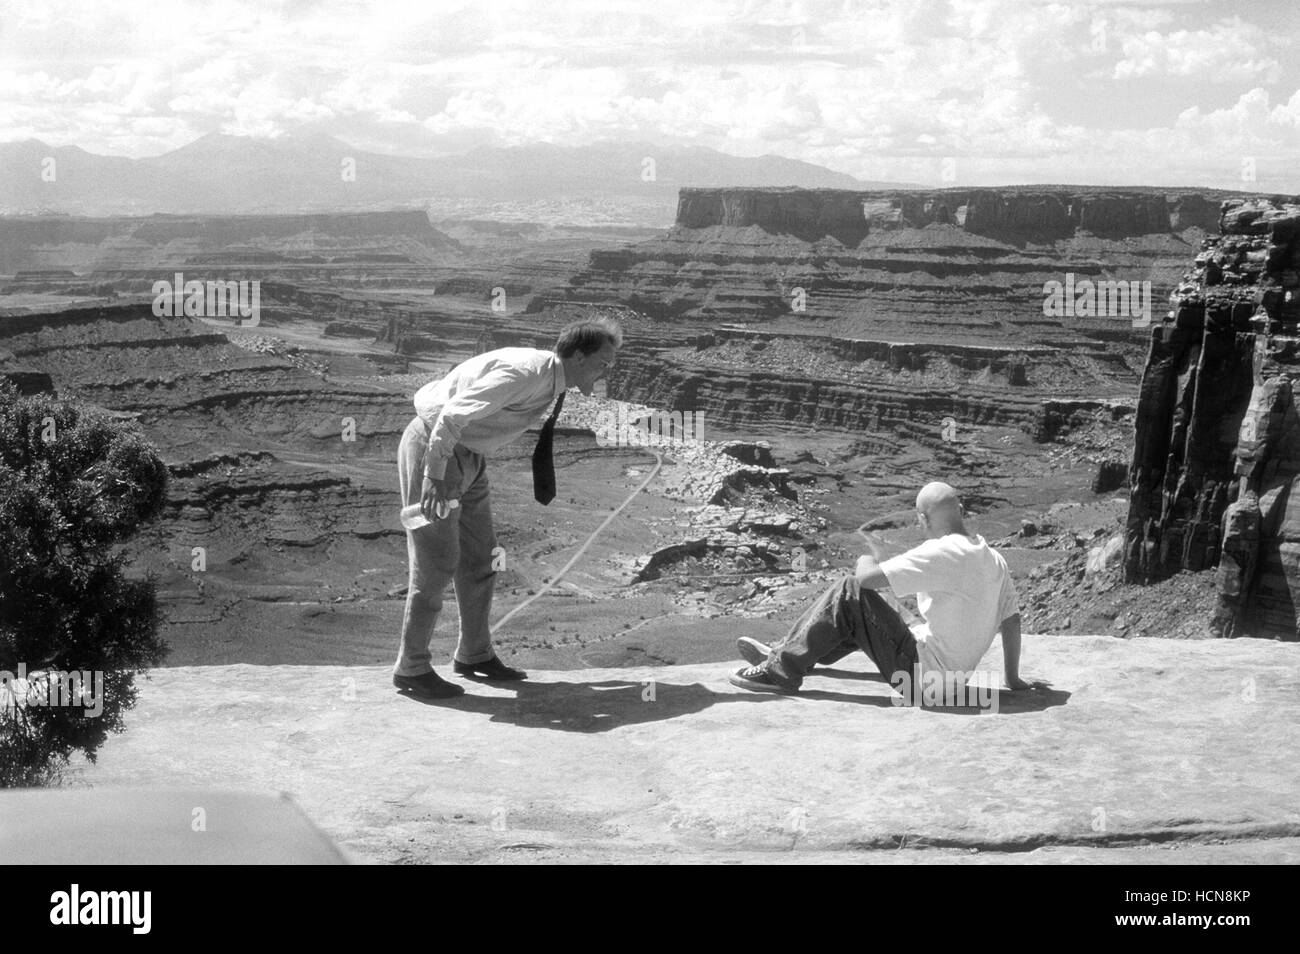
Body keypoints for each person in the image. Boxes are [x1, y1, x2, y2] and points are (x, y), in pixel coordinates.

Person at [393, 317, 621, 699]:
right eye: (604, 362)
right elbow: (451, 416)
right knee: (437, 560)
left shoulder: (554, 376)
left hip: (469, 457)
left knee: (483, 557)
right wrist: (434, 477)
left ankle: (474, 654)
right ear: (579, 357)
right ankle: (411, 667)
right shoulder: (527, 375)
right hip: (438, 451)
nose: (607, 371)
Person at [729, 481, 1037, 699]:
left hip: (922, 681)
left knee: (850, 591)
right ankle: (796, 650)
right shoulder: (993, 558)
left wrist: (869, 557)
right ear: (961, 511)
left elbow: (865, 580)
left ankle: (780, 672)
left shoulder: (942, 551)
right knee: (878, 606)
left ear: (922, 519)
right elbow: (1011, 620)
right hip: (953, 681)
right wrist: (1013, 679)